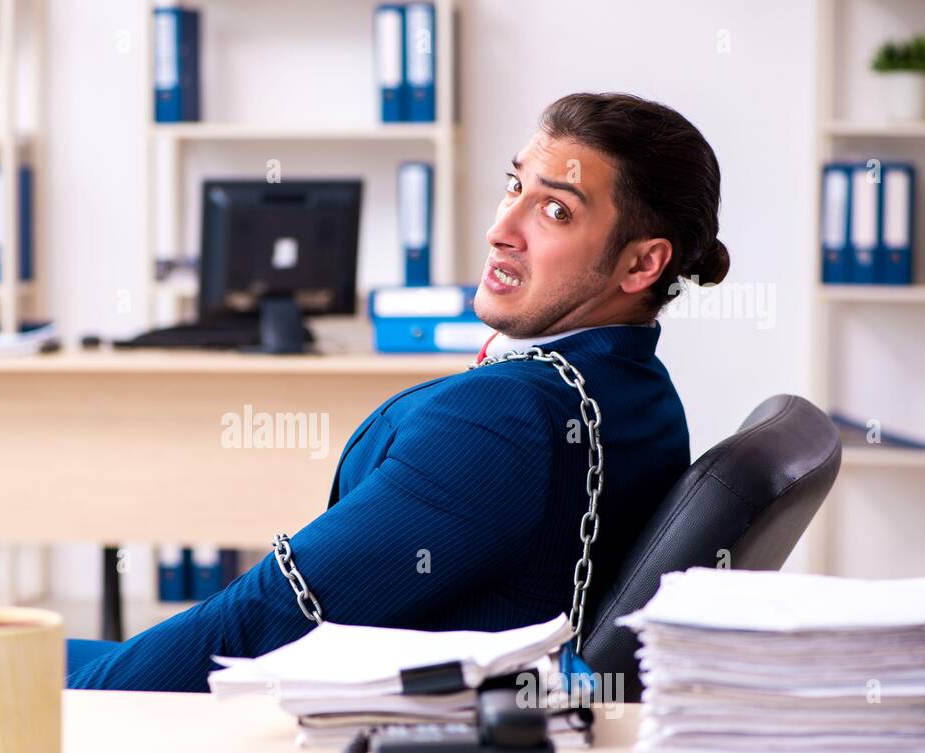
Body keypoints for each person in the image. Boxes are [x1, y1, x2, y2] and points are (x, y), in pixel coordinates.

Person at [66, 91, 729, 692]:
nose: (503, 228)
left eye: (555, 209)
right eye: (514, 185)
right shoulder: (643, 390)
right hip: (428, 691)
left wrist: (85, 700)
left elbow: (277, 609)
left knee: (4, 661)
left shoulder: (508, 420)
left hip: (368, 725)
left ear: (642, 263)